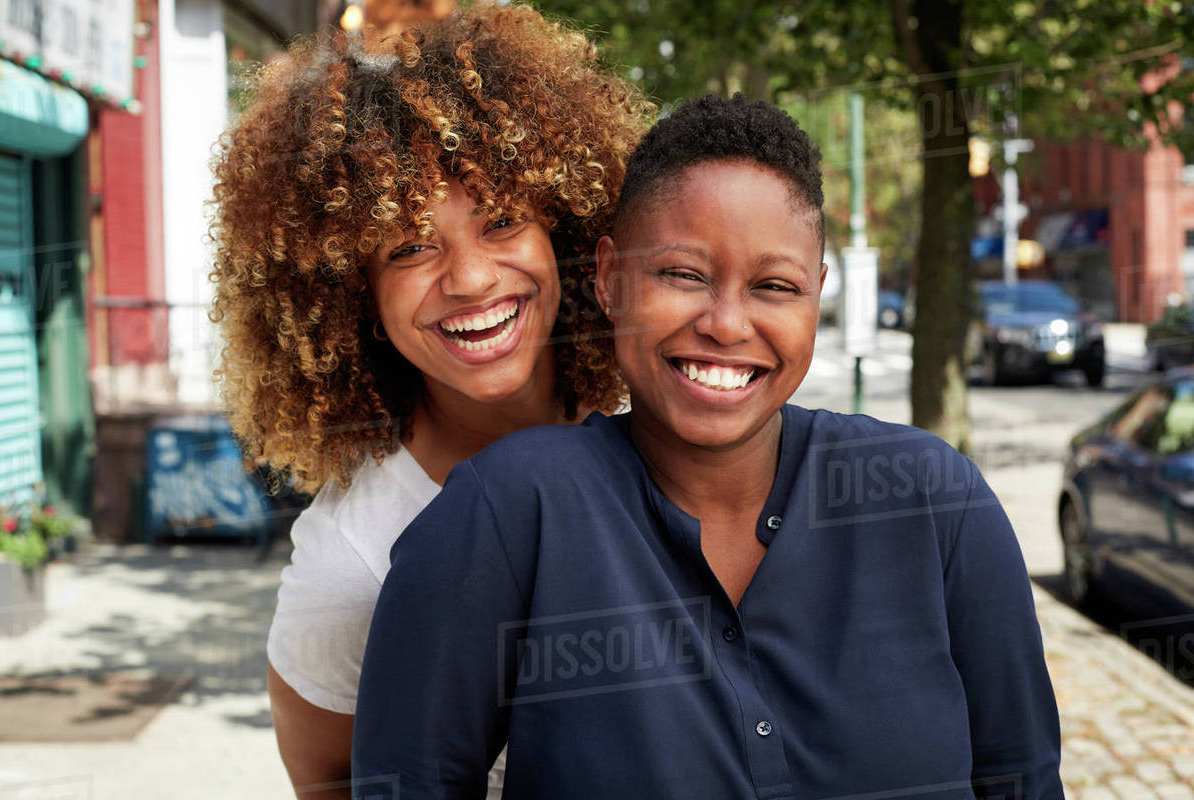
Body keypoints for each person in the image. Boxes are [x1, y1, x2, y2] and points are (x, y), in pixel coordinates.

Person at [352, 94, 1064, 799]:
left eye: (775, 286)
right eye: (683, 274)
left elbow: (1025, 781)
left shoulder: (935, 500)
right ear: (609, 278)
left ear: (817, 295)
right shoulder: (508, 514)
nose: (726, 324)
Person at [207, 5, 650, 797]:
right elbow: (327, 782)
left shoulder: (663, 443)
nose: (472, 278)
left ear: (571, 235)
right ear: (355, 298)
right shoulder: (352, 560)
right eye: (410, 246)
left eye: (504, 221)